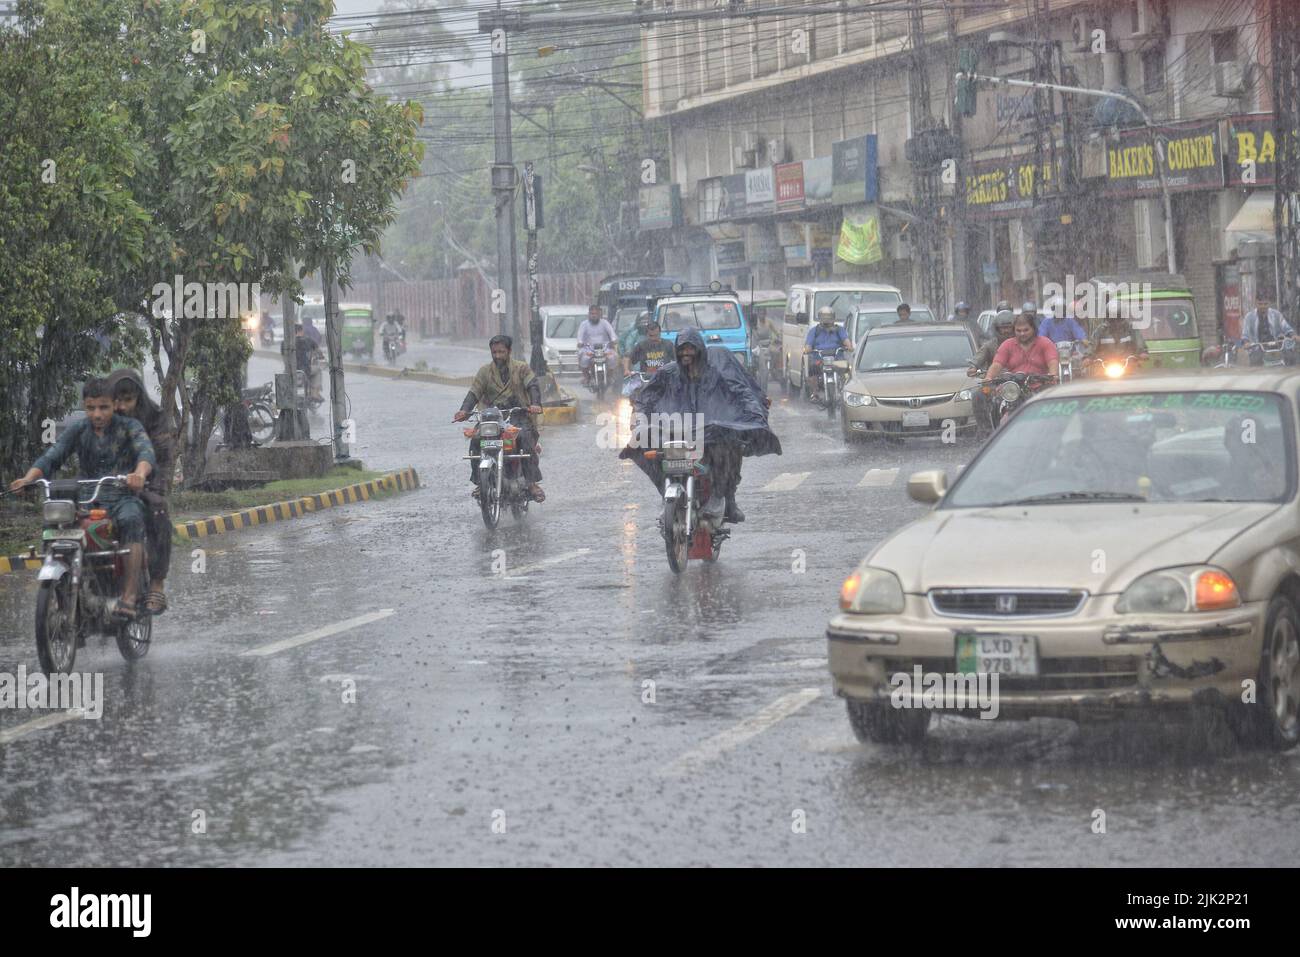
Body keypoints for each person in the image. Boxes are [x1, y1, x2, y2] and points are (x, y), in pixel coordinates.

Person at [9, 379, 156, 619]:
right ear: (84, 407)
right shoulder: (78, 429)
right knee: (54, 524)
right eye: (90, 408)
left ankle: (128, 597)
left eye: (103, 407)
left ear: (114, 404)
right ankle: (62, 594)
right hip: (86, 500)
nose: (97, 414)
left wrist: (139, 474)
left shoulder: (131, 426)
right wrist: (28, 479)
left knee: (132, 519)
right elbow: (52, 457)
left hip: (121, 497)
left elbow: (145, 452)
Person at [620, 327, 781, 524]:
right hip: (677, 431)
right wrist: (639, 421)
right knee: (642, 447)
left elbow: (742, 393)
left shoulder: (718, 372)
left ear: (700, 350)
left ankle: (721, 497)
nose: (686, 353)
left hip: (712, 429)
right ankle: (667, 494)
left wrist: (754, 415)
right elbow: (646, 398)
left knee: (730, 446)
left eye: (691, 349)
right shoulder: (668, 373)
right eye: (682, 349)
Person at [106, 369, 175, 615]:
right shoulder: (99, 417)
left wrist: (154, 487)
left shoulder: (153, 416)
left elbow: (162, 456)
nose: (121, 406)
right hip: (106, 485)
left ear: (138, 399)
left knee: (157, 511)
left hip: (145, 482)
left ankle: (156, 582)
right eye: (116, 400)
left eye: (128, 400)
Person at [453, 335, 545, 502]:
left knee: (524, 439)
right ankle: (480, 484)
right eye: (494, 352)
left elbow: (533, 386)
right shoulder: (484, 372)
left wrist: (535, 404)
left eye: (501, 352)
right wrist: (463, 411)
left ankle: (532, 484)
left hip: (519, 417)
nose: (497, 356)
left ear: (509, 351)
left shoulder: (522, 368)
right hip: (491, 419)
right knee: (476, 441)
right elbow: (474, 393)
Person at [985, 312, 1058, 381]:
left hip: (1041, 388)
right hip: (1014, 389)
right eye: (1018, 331)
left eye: (1026, 330)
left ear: (1033, 329)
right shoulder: (1007, 344)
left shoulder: (1045, 343)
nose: (1022, 333)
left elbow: (1052, 362)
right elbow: (997, 364)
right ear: (1014, 331)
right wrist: (989, 378)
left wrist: (1053, 376)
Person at [803, 306, 851, 397]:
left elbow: (846, 341)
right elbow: (808, 345)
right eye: (824, 316)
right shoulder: (814, 331)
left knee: (847, 371)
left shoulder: (839, 330)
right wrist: (807, 349)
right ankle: (815, 392)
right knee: (812, 369)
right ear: (820, 317)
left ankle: (846, 391)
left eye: (828, 316)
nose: (826, 319)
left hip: (837, 359)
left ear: (833, 317)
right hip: (819, 359)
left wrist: (849, 346)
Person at [1240, 293, 1296, 365]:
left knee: (1290, 357)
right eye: (1260, 304)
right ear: (1256, 303)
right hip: (1258, 348)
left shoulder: (1276, 315)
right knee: (1255, 362)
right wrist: (1246, 343)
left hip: (1277, 347)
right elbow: (1245, 334)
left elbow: (1286, 328)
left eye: (1265, 304)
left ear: (1269, 303)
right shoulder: (1249, 317)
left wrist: (1293, 335)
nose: (1263, 306)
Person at [1092, 302, 1149, 368]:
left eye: (1118, 317)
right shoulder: (1101, 329)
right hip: (1105, 366)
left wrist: (1142, 352)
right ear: (1107, 317)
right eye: (1112, 318)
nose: (1115, 321)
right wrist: (1087, 357)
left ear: (1123, 316)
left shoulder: (1131, 328)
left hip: (1128, 365)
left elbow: (1139, 341)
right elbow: (1092, 344)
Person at [577, 305, 617, 386]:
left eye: (596, 313)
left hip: (604, 348)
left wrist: (613, 341)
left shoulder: (605, 323)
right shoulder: (584, 324)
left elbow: (612, 335)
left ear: (599, 314)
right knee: (583, 358)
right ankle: (587, 377)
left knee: (613, 357)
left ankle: (609, 376)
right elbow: (580, 336)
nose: (594, 315)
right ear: (589, 314)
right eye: (592, 313)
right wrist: (580, 342)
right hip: (589, 349)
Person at [294, 322, 323, 401]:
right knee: (318, 370)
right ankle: (315, 392)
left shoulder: (285, 342)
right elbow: (318, 350)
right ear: (300, 331)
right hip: (304, 370)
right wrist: (321, 356)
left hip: (290, 371)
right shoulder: (308, 340)